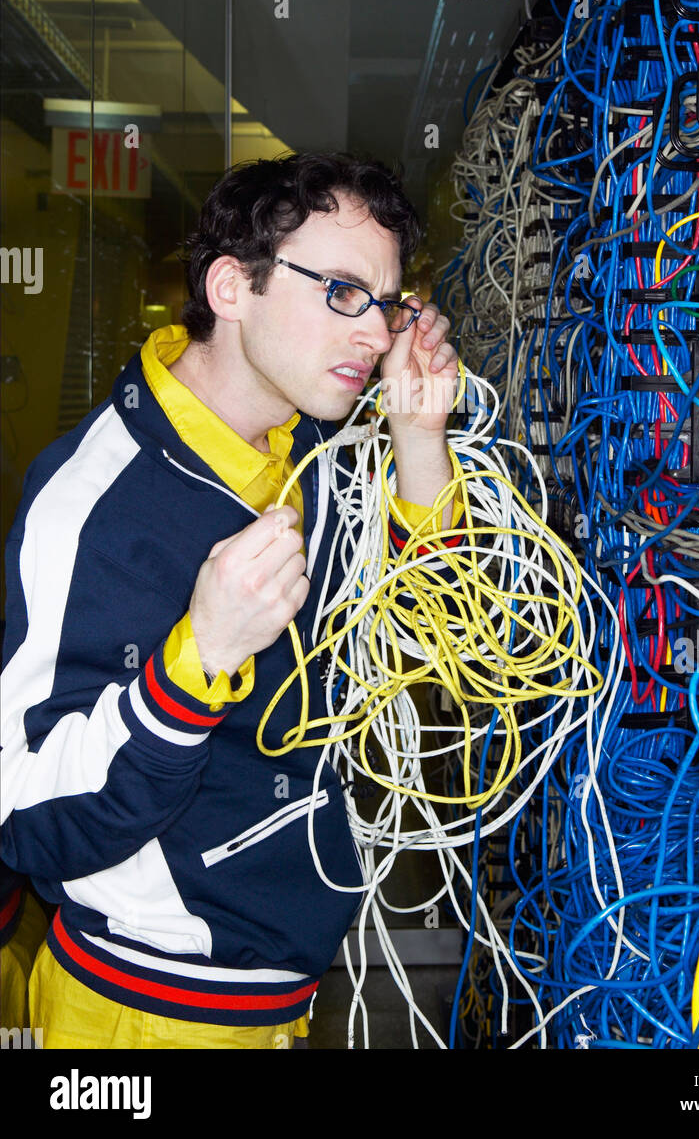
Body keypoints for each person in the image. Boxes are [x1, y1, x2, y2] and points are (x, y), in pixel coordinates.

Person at [0, 152, 459, 1049]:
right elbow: (24, 822)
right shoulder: (92, 500)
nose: (375, 333)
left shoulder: (313, 456)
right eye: (341, 291)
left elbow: (433, 645)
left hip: (282, 999)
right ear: (230, 286)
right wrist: (195, 661)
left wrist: (417, 439)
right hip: (139, 1014)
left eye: (388, 301)